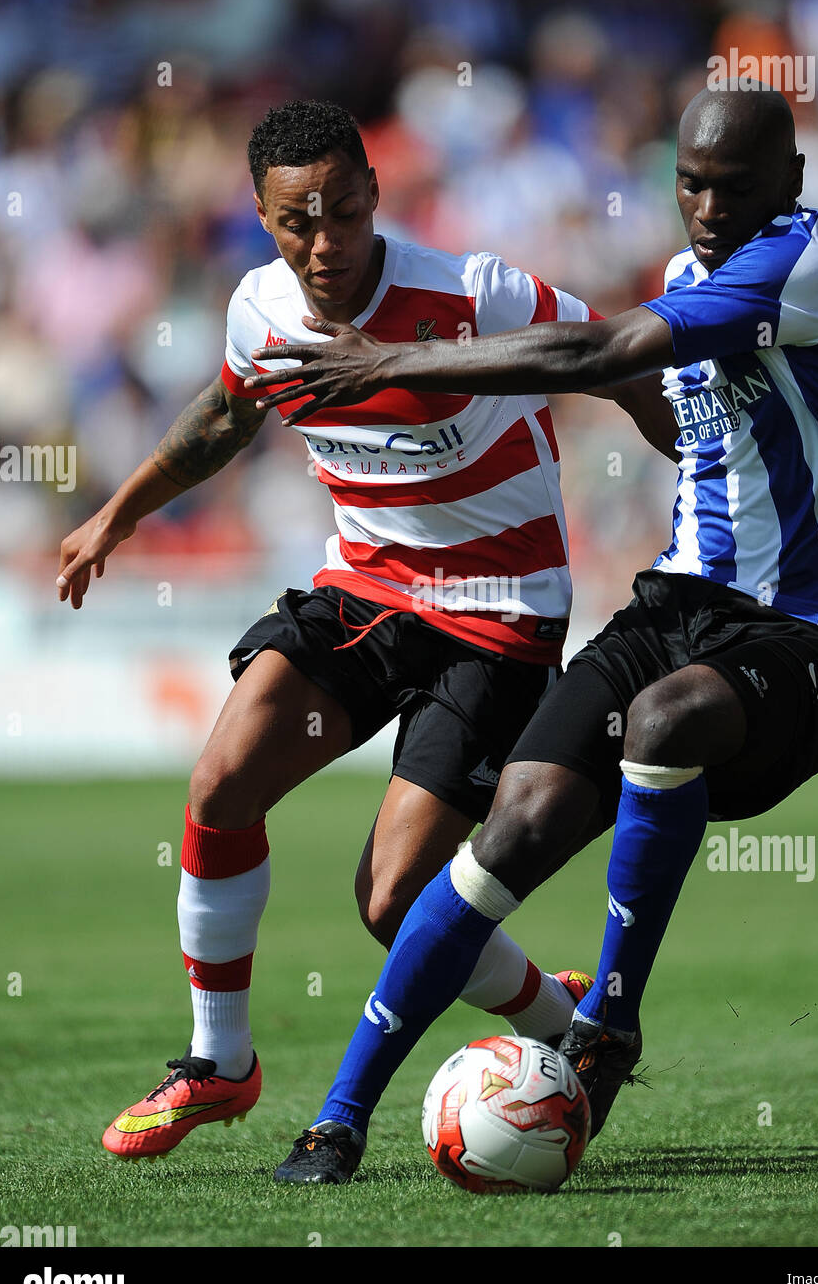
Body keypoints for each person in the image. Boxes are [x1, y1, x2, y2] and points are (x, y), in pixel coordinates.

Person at [247, 84, 818, 1185]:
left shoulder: (805, 264)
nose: (708, 208)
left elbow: (594, 353)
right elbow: (659, 397)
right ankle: (337, 1116)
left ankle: (605, 1025)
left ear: (792, 186)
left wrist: (393, 362)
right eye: (692, 184)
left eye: (737, 186)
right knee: (513, 821)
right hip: (681, 604)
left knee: (664, 720)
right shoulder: (685, 275)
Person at [56, 100, 676, 1159]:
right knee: (220, 785)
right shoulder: (259, 311)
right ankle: (219, 1065)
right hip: (368, 591)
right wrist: (121, 508)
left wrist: (711, 491)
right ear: (259, 214)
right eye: (299, 220)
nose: (325, 241)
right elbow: (226, 412)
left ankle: (548, 1019)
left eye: (345, 212)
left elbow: (611, 359)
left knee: (391, 902)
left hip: (499, 612)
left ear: (374, 196)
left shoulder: (470, 291)